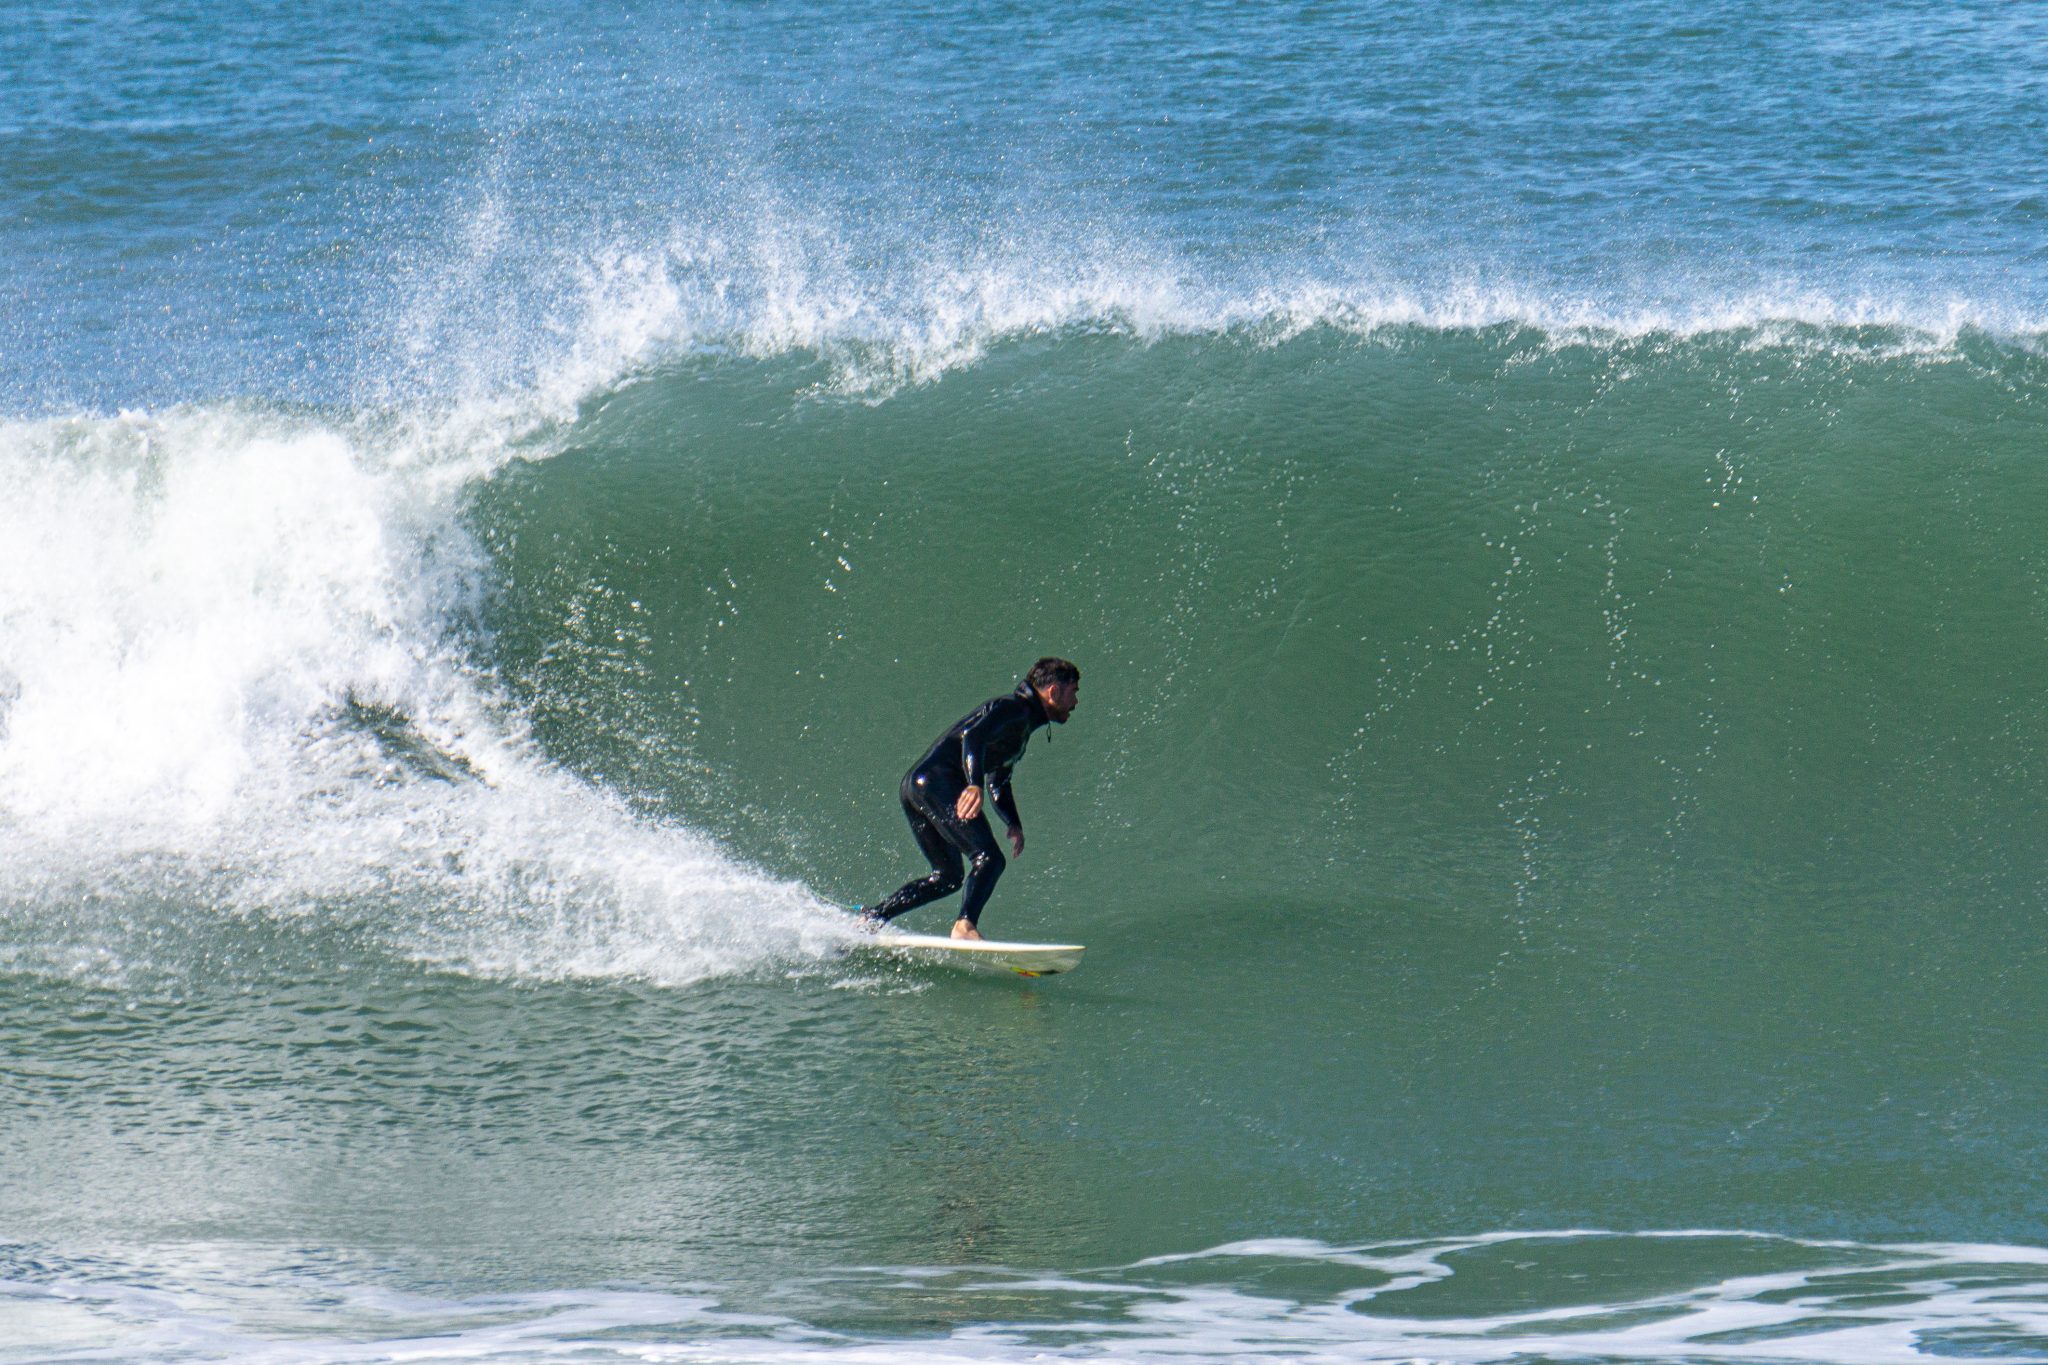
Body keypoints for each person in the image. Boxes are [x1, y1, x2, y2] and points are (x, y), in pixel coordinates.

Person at [858, 657, 1081, 940]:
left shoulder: (1020, 725)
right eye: (1073, 691)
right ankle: (964, 927)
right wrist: (973, 785)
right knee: (989, 859)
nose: (1075, 702)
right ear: (1054, 692)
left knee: (947, 877)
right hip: (938, 783)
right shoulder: (1012, 709)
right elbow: (972, 737)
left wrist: (1013, 822)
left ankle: (874, 918)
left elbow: (998, 779)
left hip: (918, 785)